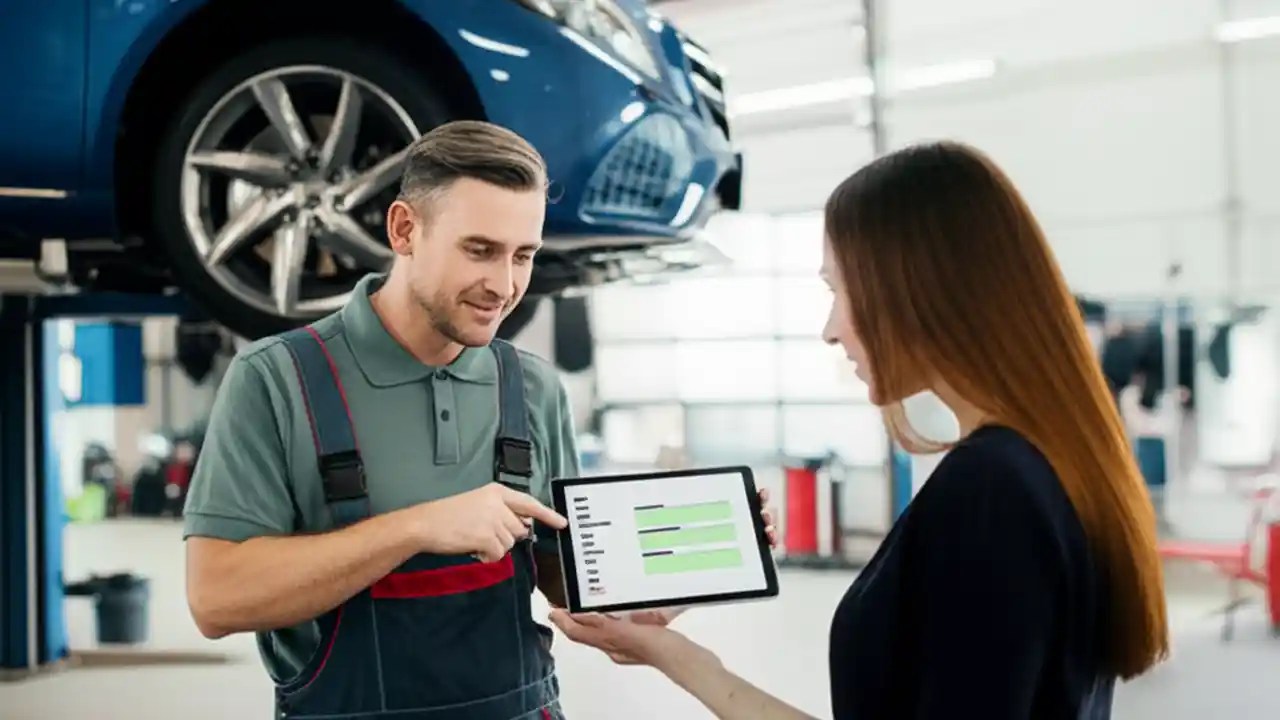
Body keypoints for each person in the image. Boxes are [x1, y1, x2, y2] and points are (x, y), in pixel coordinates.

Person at [550, 141, 1171, 719]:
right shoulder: (1047, 465)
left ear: (916, 288)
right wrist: (678, 656)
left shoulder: (990, 488)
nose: (830, 328)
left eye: (839, 290)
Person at [183, 121, 582, 719]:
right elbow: (216, 598)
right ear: (404, 230)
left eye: (522, 255)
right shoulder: (276, 380)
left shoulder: (533, 388)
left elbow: (567, 578)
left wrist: (680, 568)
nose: (503, 286)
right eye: (479, 250)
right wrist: (418, 527)